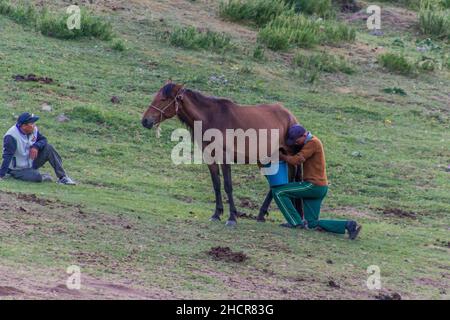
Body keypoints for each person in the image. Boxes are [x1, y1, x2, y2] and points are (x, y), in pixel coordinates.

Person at [273, 124, 362, 240]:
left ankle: (295, 222)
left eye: (296, 141)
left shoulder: (313, 143)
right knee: (312, 224)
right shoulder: (311, 142)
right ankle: (348, 225)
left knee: (278, 192)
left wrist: (281, 156)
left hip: (313, 186)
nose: (295, 143)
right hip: (320, 187)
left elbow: (296, 160)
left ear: (304, 135)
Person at [0, 112, 76, 185]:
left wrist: (36, 146)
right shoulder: (11, 136)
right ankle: (40, 176)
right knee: (36, 177)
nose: (34, 125)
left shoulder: (33, 130)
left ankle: (63, 177)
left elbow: (44, 140)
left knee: (48, 148)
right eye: (32, 123)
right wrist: (1, 175)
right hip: (16, 169)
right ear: (24, 126)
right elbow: (7, 156)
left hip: (31, 162)